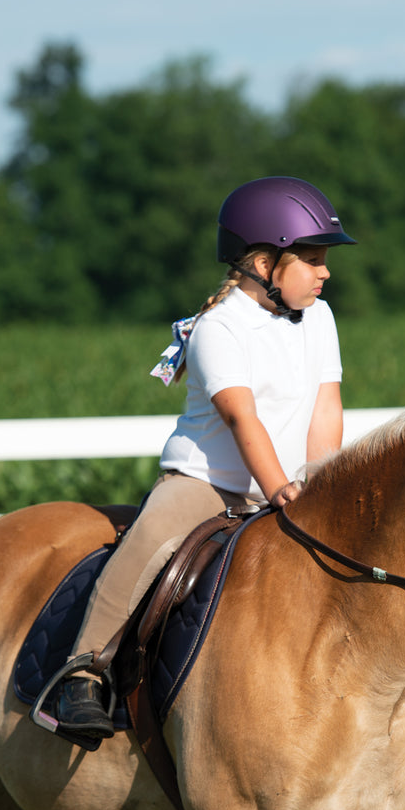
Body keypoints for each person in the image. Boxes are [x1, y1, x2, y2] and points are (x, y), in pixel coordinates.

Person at [53, 176, 357, 739]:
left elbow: (326, 410)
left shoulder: (321, 319)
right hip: (208, 483)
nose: (325, 272)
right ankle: (84, 671)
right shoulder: (218, 329)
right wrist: (278, 490)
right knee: (148, 541)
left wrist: (320, 485)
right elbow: (244, 420)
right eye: (313, 259)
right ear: (265, 262)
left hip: (292, 484)